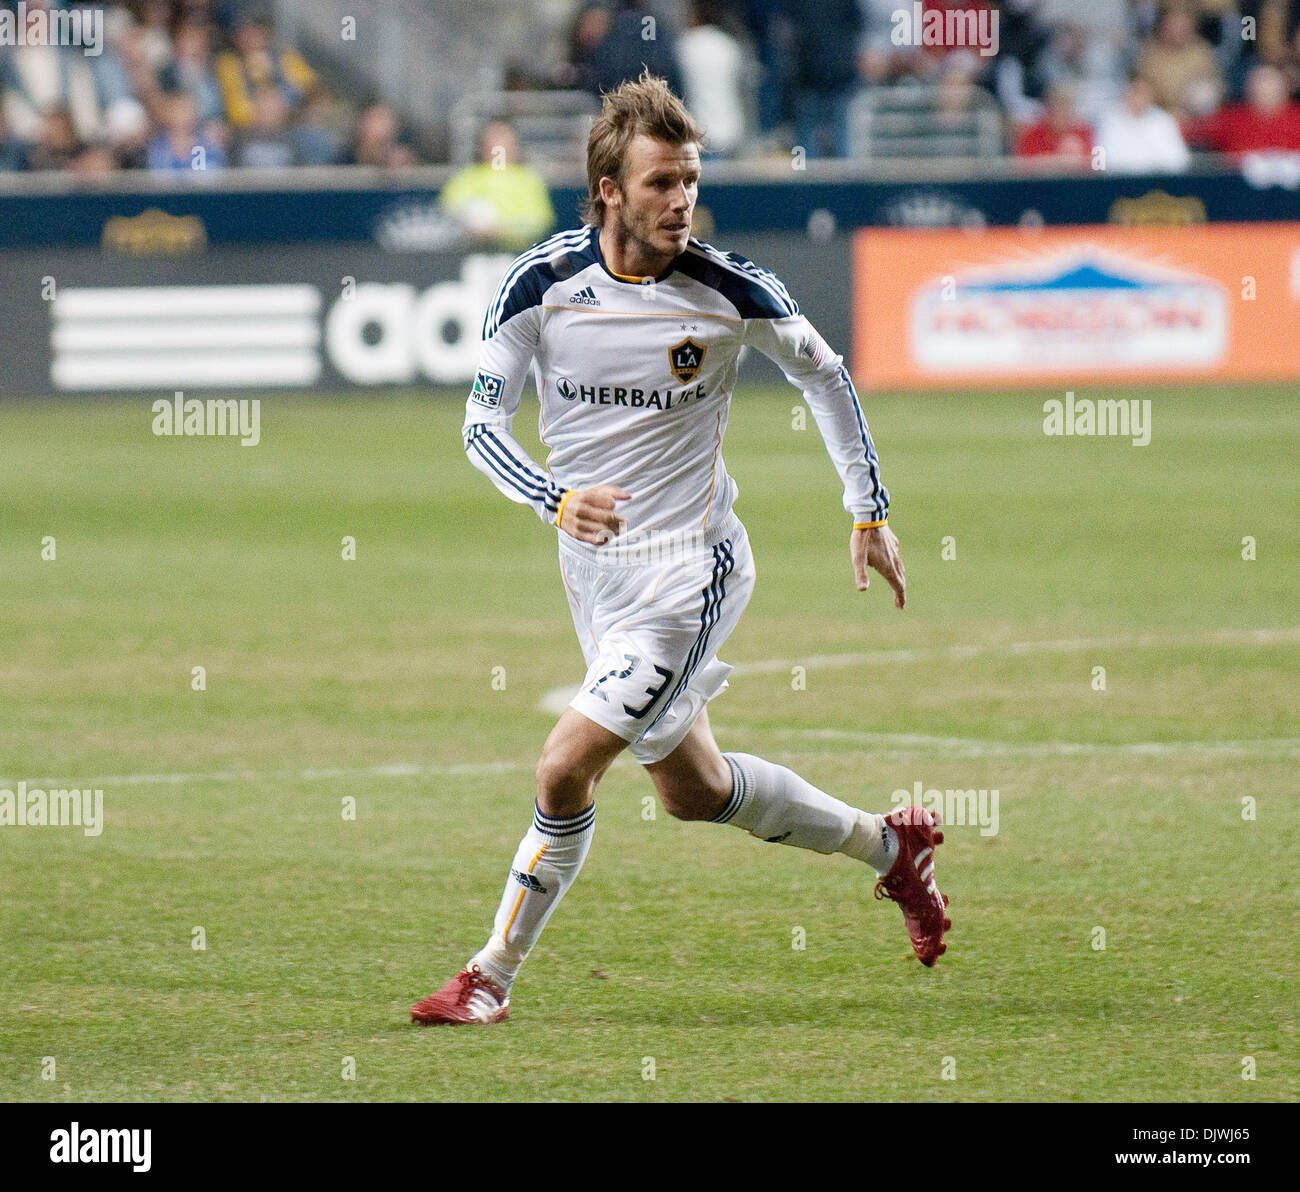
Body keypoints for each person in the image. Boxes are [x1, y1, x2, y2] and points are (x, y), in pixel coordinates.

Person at [411, 72, 950, 1027]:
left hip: (689, 573)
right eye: (661, 183)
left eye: (691, 180)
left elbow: (827, 378)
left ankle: (490, 974)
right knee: (695, 793)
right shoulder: (540, 284)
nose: (682, 201)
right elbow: (478, 424)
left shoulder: (730, 287)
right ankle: (889, 849)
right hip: (593, 574)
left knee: (562, 769)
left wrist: (867, 510)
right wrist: (554, 497)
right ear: (609, 189)